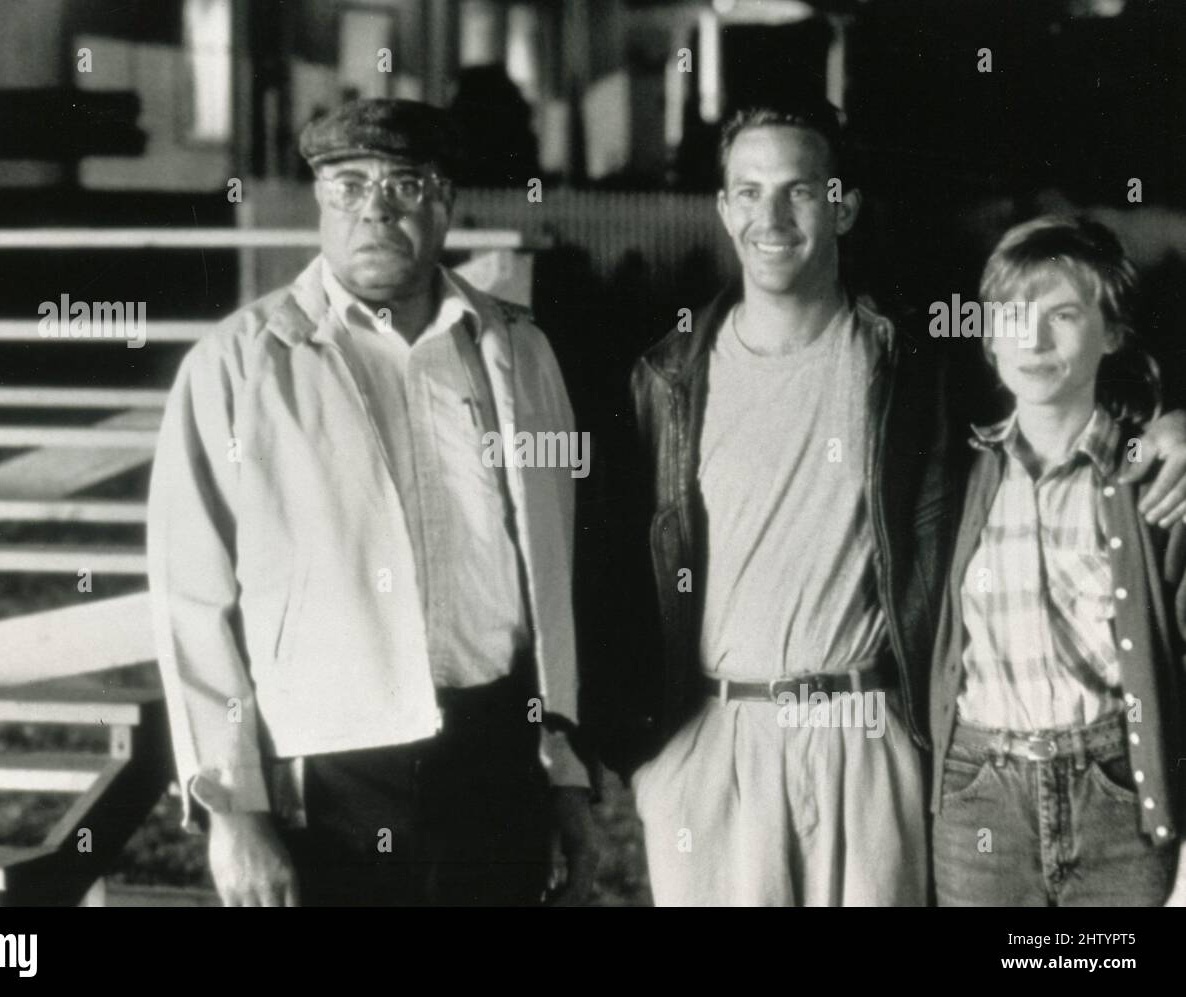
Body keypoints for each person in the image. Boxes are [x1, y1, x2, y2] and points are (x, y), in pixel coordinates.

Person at [595, 96, 1186, 906]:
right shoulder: (663, 380)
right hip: (717, 742)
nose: (772, 214)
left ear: (843, 207)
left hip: (868, 734)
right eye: (749, 190)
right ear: (724, 207)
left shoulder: (916, 365)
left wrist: (1176, 420)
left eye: (801, 189)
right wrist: (650, 757)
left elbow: (1063, 380)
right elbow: (616, 569)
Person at [147, 98, 600, 906]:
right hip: (331, 774)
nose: (375, 209)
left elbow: (550, 576)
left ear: (447, 201)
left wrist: (559, 770)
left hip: (493, 755)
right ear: (318, 201)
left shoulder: (517, 352)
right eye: (348, 185)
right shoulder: (235, 368)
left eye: (405, 184)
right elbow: (193, 604)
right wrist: (234, 808)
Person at [929, 216, 1186, 906]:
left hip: (1117, 794)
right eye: (1014, 316)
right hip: (980, 794)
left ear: (1113, 333)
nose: (1034, 340)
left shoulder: (1153, 475)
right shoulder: (957, 474)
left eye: (1065, 314)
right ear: (987, 337)